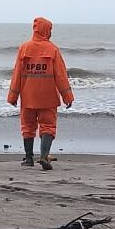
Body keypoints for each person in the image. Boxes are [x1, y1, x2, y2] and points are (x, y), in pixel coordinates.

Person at [6, 17, 74, 170]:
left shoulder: (24, 48)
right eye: (49, 30)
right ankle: (44, 157)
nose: (50, 33)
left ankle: (29, 158)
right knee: (48, 127)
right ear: (45, 30)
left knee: (27, 127)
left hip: (28, 96)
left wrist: (12, 96)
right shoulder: (53, 49)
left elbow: (17, 74)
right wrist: (68, 97)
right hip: (48, 97)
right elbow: (61, 76)